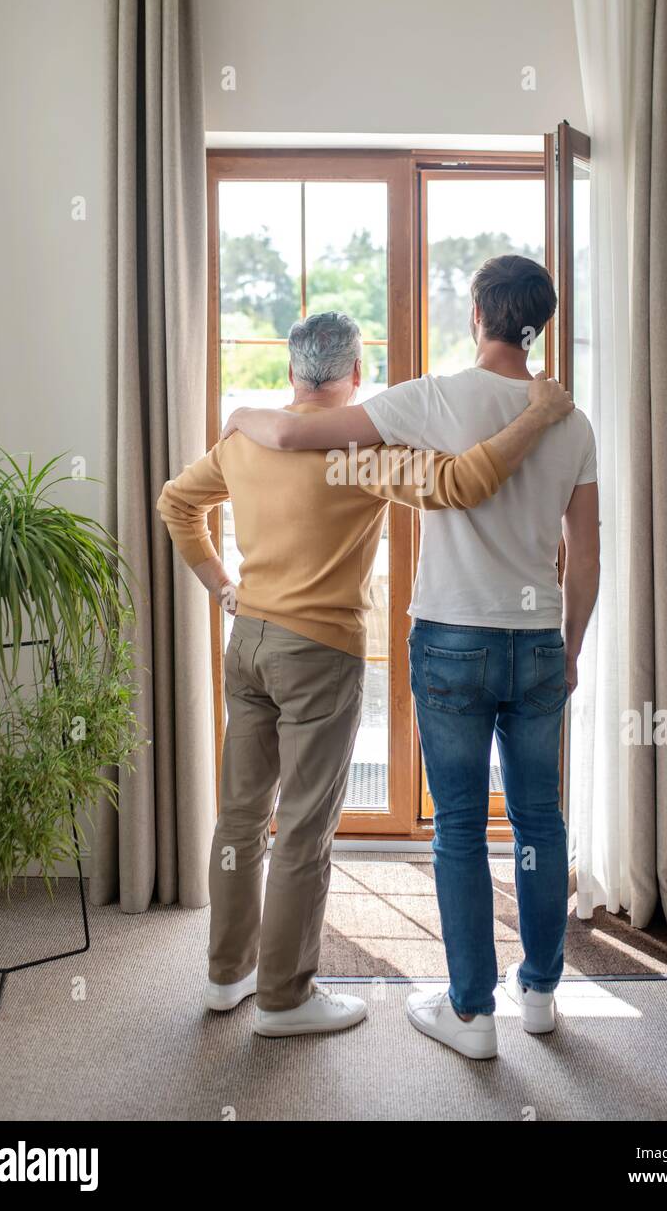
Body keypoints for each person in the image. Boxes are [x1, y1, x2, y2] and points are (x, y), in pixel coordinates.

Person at [158, 309, 573, 1040]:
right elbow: (463, 483)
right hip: (317, 653)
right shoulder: (362, 453)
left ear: (293, 373)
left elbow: (176, 502)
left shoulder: (244, 439)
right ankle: (284, 999)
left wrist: (222, 584)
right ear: (355, 379)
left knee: (242, 814)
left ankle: (228, 976)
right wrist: (536, 418)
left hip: (247, 643)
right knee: (305, 828)